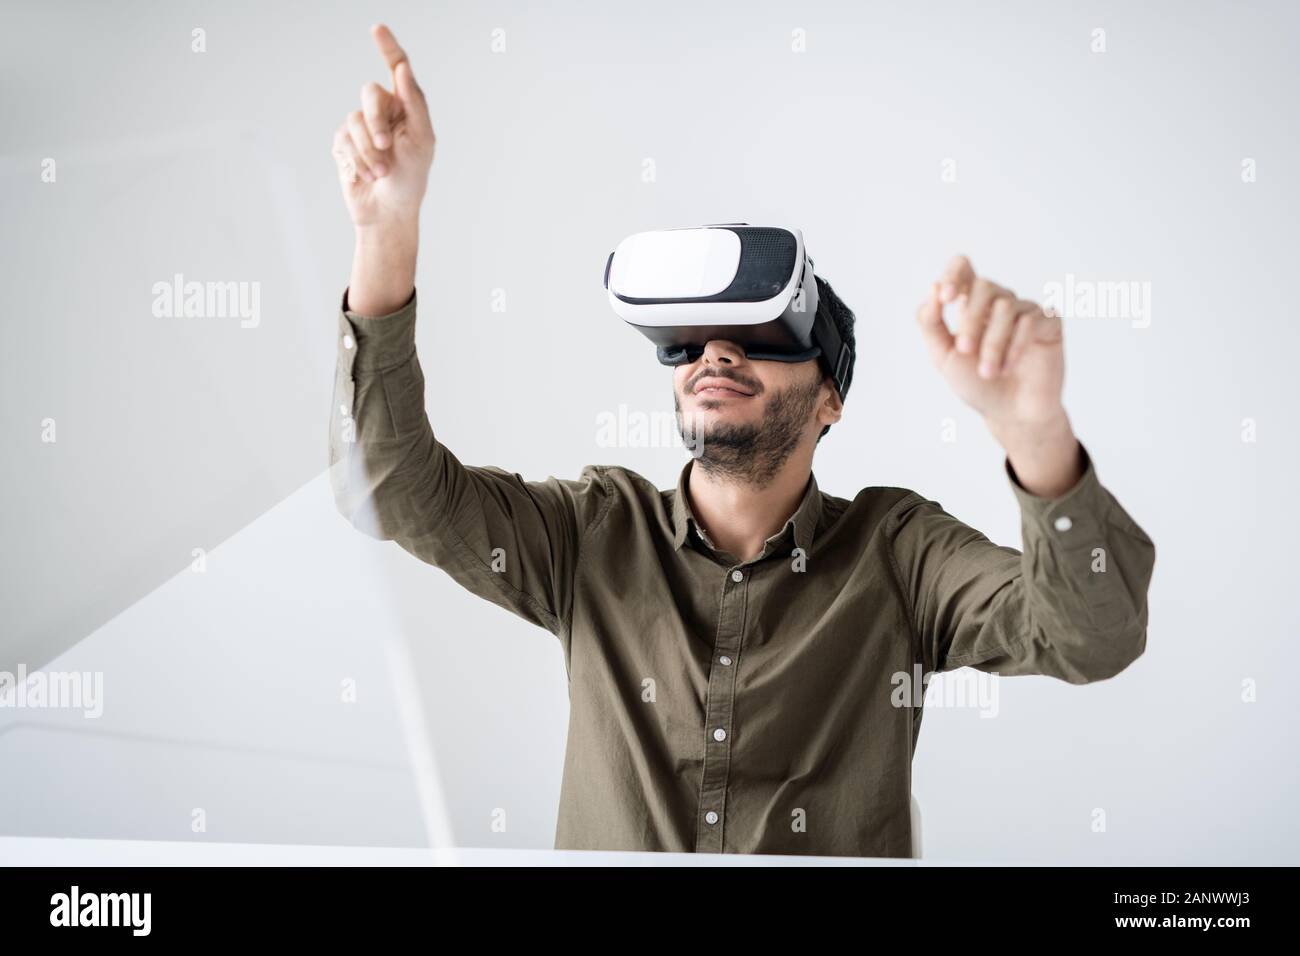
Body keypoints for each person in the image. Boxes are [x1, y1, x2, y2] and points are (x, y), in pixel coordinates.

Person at [327, 24, 1156, 857]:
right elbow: (390, 488)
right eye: (689, 341)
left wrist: (1033, 431)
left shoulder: (898, 553)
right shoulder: (589, 534)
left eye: (758, 336)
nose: (715, 353)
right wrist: (386, 230)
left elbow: (1093, 635)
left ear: (830, 398)